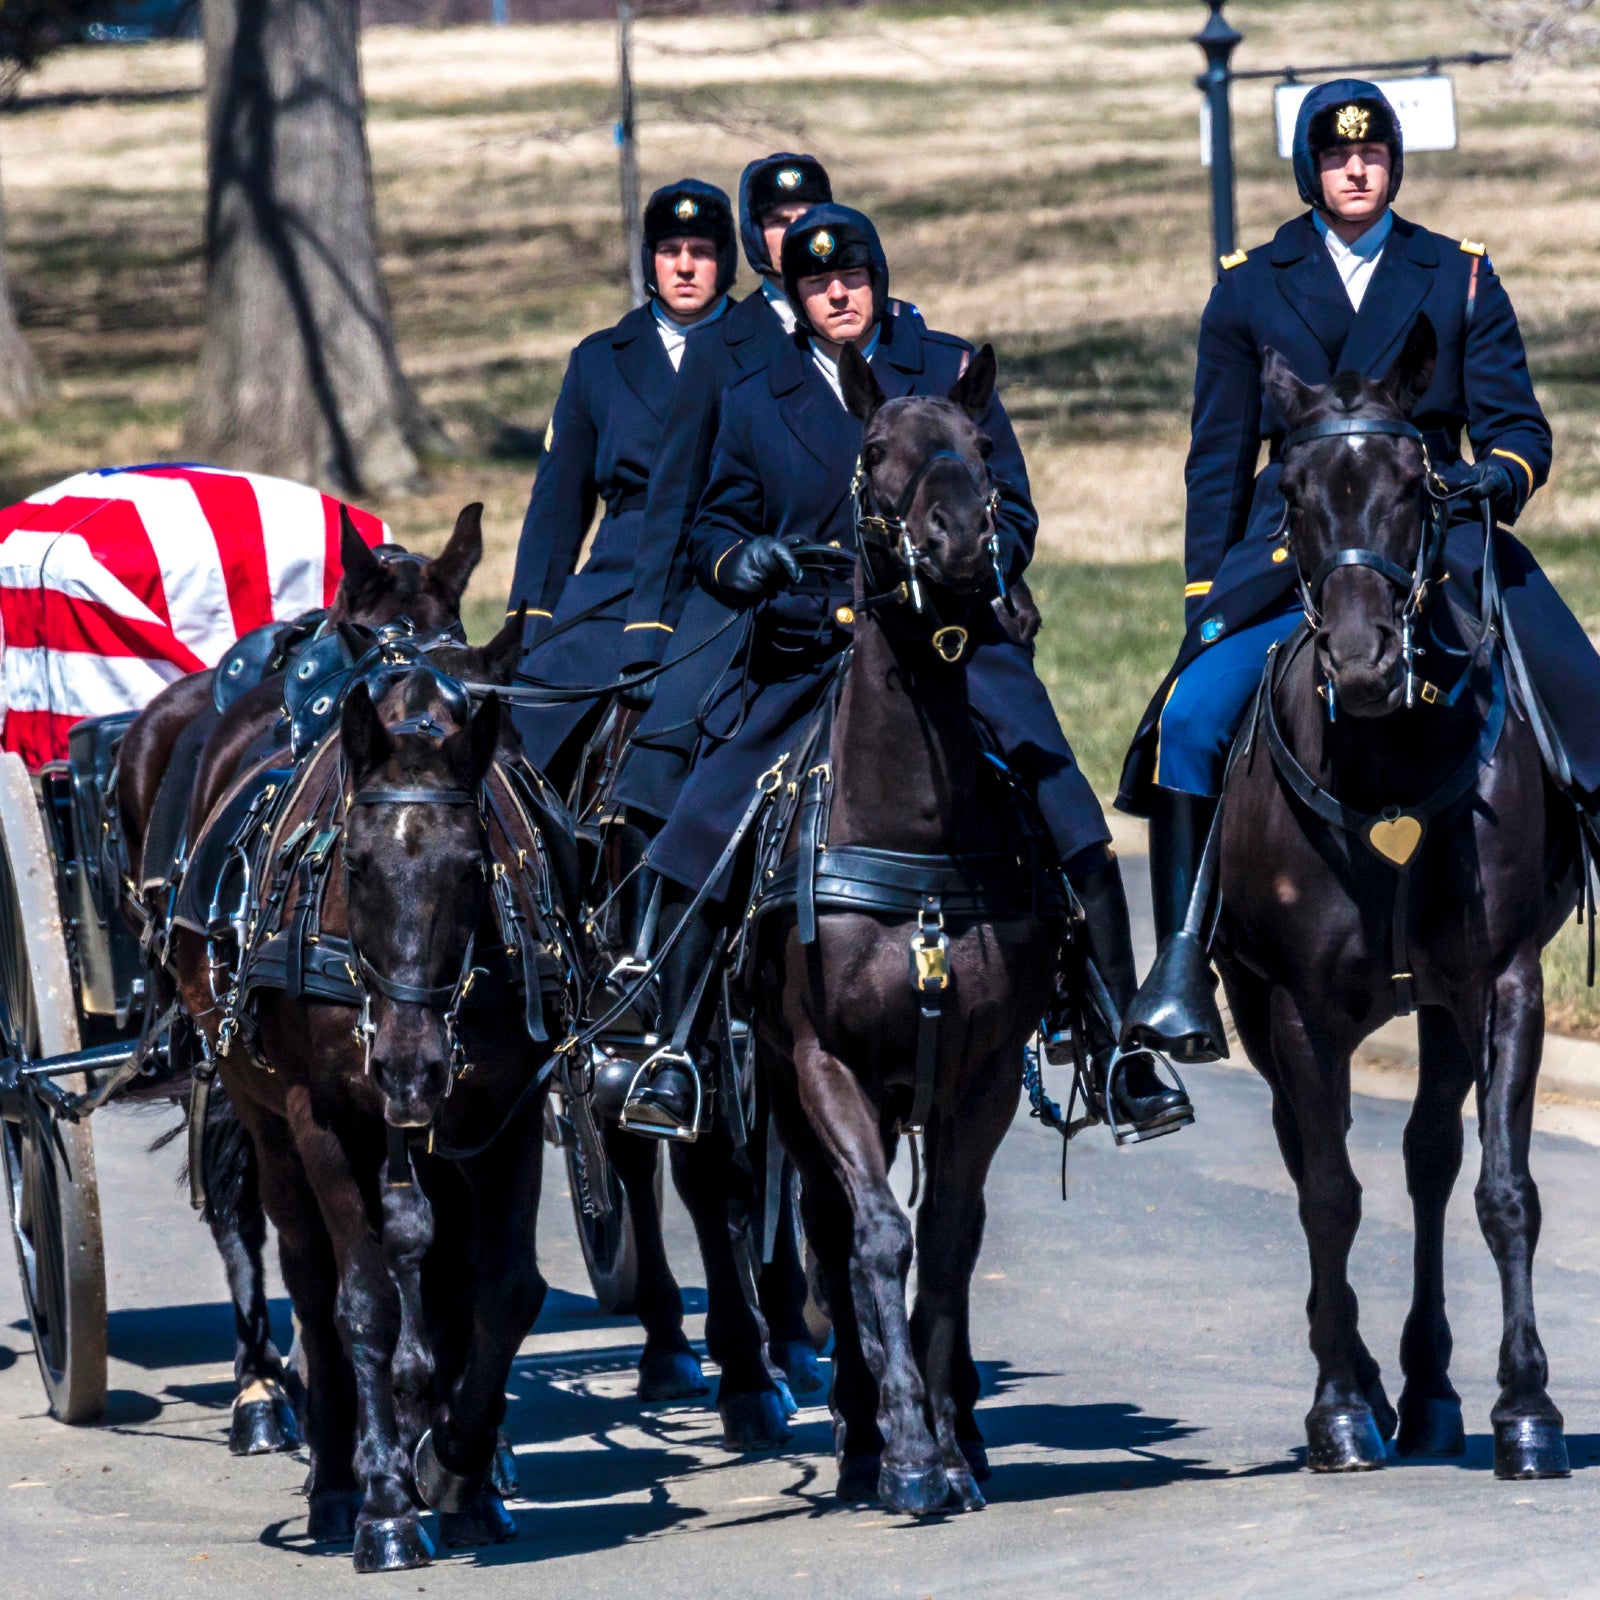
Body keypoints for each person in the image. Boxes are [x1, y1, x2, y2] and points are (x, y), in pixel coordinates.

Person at [623, 204, 1192, 1142]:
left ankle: (1118, 1044)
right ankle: (673, 1047)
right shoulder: (757, 390)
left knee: (1072, 817)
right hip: (813, 646)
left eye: (851, 276)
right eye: (815, 282)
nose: (836, 294)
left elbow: (1015, 514)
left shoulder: (949, 372)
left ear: (878, 279)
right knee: (703, 821)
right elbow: (716, 525)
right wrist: (746, 562)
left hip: (961, 645)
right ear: (793, 297)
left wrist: (983, 566)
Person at [1119, 79, 1600, 1035]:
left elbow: (1518, 431)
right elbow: (1218, 459)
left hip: (1435, 530)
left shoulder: (1457, 275)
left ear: (1393, 163)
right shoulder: (1250, 284)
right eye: (1338, 156)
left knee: (1579, 686)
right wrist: (1206, 595)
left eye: (1373, 153)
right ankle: (1179, 966)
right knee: (1191, 715)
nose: (1356, 169)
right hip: (1289, 545)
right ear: (1310, 167)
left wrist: (1491, 483)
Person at [608, 153, 836, 828]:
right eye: (773, 222)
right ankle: (655, 919)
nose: (791, 234)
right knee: (664, 745)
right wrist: (646, 636)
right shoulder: (719, 343)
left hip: (861, 581)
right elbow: (674, 500)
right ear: (750, 233)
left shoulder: (873, 325)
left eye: (804, 218)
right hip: (741, 585)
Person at [505, 178, 736, 786]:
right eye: (669, 251)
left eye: (703, 252)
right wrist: (529, 631)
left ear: (726, 262)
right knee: (520, 740)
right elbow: (558, 510)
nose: (685, 267)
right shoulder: (600, 359)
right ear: (649, 262)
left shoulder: (763, 346)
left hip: (722, 571)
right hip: (618, 578)